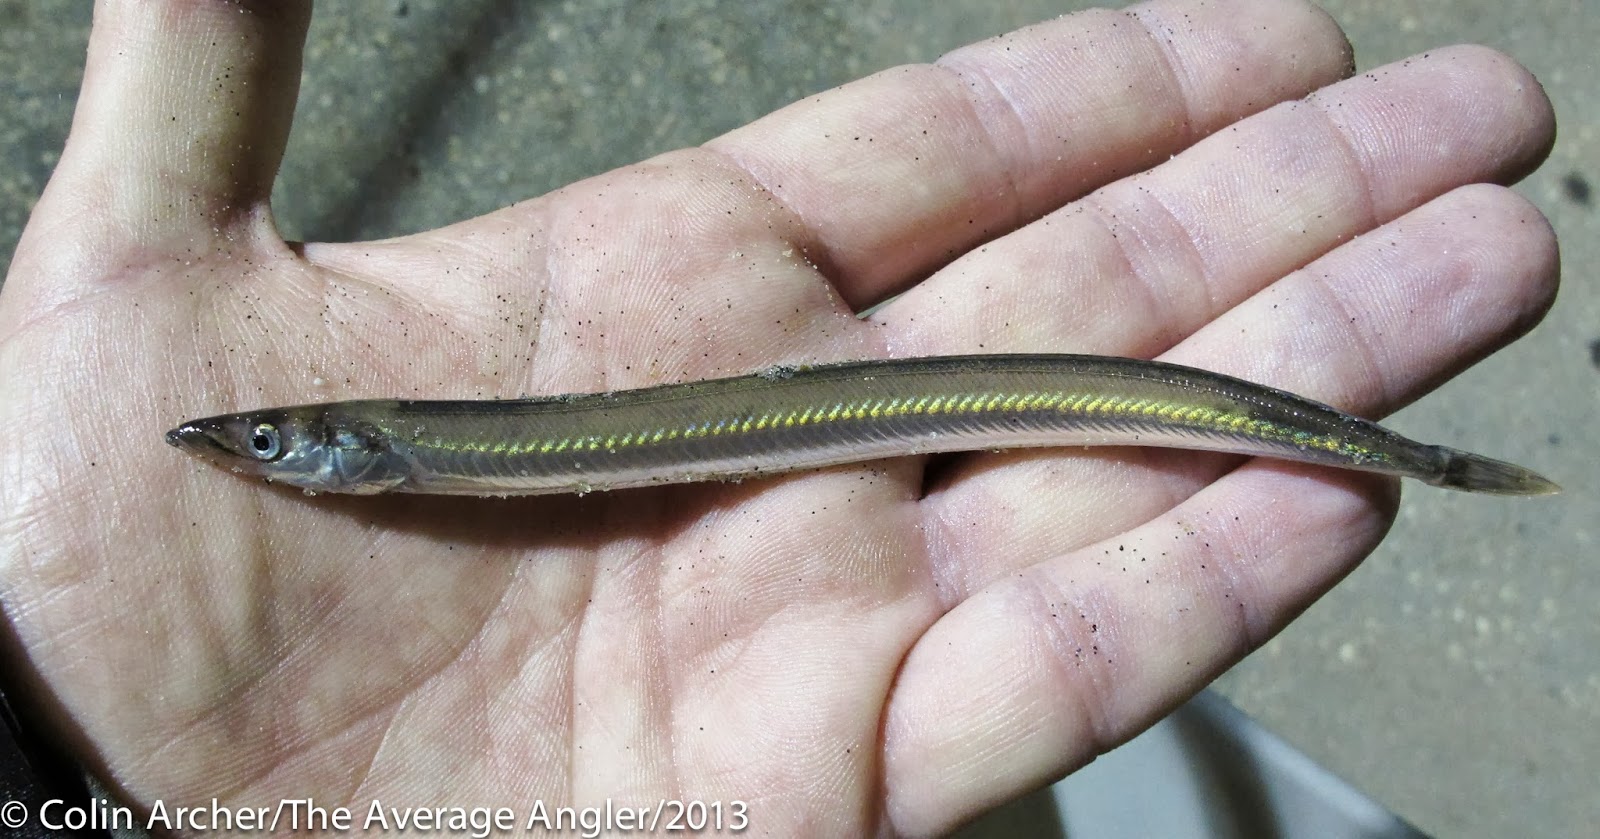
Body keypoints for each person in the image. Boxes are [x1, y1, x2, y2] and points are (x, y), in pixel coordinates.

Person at [0, 0, 1557, 835]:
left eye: (279, 441)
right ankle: (1396, 454)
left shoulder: (402, 456)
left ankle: (1395, 454)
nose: (262, 456)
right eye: (275, 446)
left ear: (350, 442)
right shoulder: (376, 475)